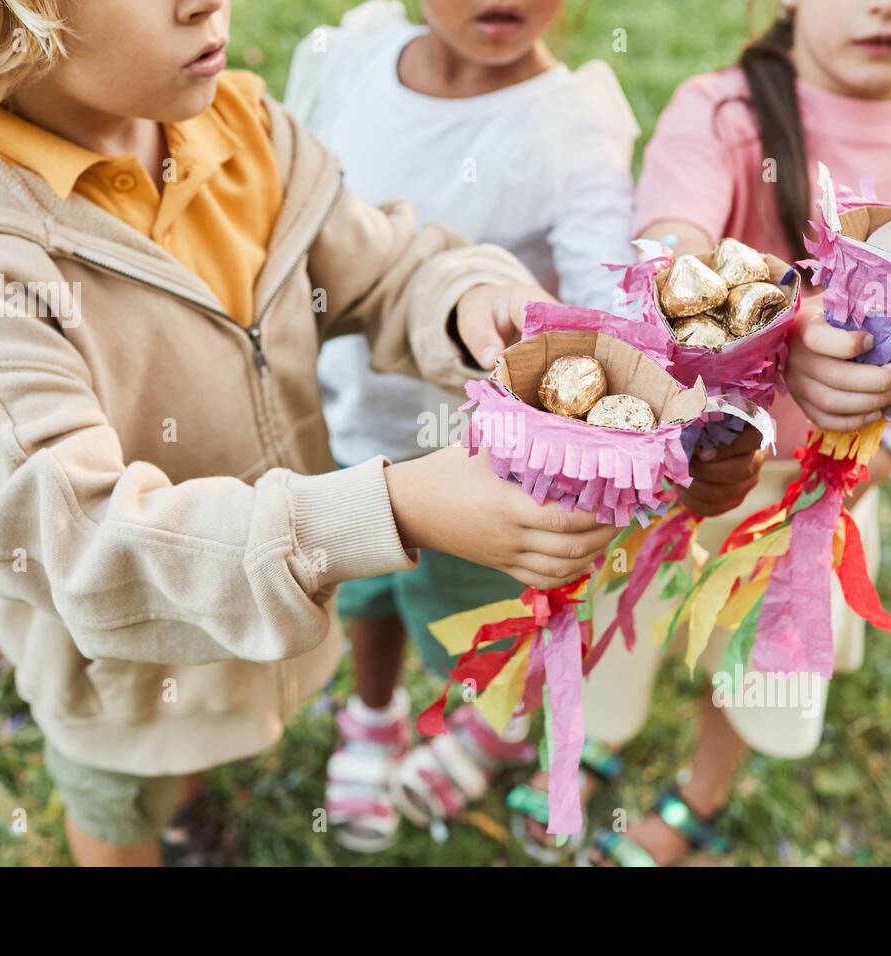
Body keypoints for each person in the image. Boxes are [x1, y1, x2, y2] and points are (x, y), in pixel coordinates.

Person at [0, 0, 616, 866]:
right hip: (122, 679)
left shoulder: (237, 129)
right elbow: (83, 539)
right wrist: (394, 510)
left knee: (205, 746)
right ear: (1, 17)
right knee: (124, 804)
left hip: (262, 619)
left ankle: (195, 805)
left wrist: (467, 300)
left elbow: (381, 267)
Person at [582, 0, 891, 865]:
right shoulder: (723, 115)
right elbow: (674, 240)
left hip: (814, 490)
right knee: (626, 625)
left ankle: (699, 793)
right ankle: (605, 740)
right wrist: (772, 321)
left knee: (749, 654)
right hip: (693, 463)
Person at [284, 0, 639, 853]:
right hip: (348, 417)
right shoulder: (348, 56)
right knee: (362, 584)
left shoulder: (573, 123)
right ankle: (374, 713)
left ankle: (495, 725)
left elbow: (604, 294)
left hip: (490, 471)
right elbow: (289, 209)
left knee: (486, 621)